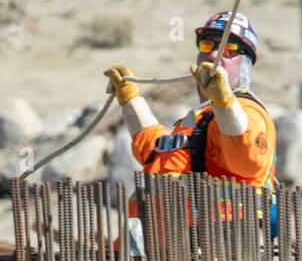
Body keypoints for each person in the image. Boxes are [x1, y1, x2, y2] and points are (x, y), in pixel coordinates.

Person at [104, 10, 276, 190]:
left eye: (228, 50)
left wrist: (225, 102)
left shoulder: (250, 112)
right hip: (175, 218)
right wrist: (130, 98)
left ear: (245, 64)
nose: (213, 55)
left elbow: (245, 156)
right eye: (207, 45)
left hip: (228, 219)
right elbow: (155, 150)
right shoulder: (199, 120)